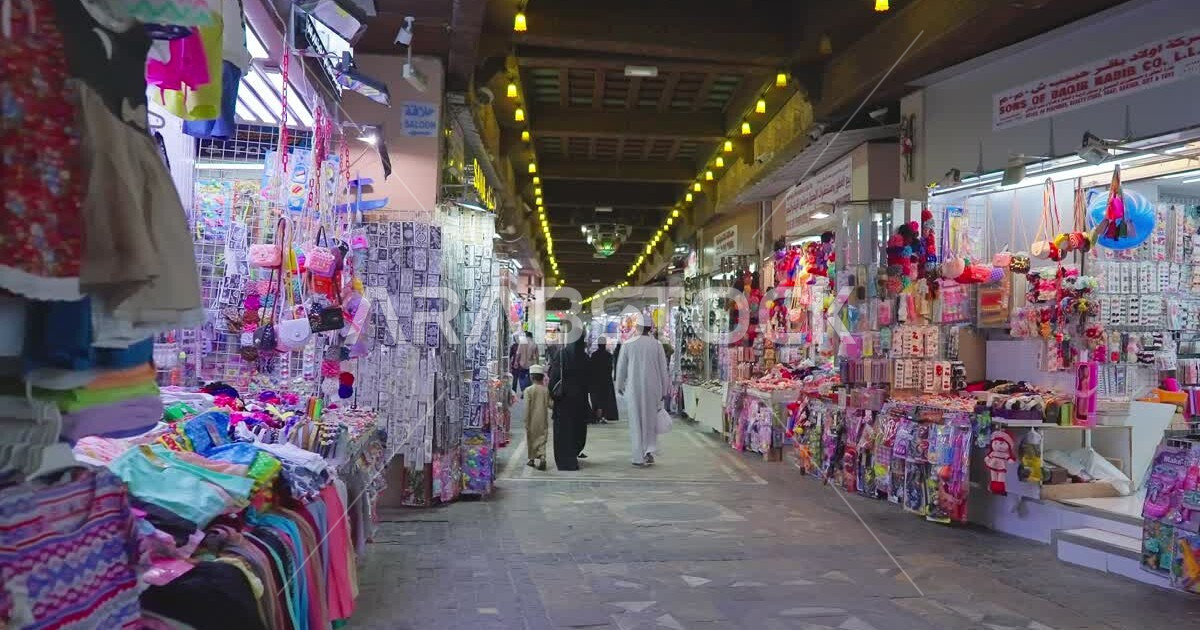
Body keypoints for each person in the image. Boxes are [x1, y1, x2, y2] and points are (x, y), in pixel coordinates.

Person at [616, 324, 671, 466]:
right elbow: (663, 370)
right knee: (650, 421)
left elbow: (621, 367)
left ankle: (638, 456)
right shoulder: (657, 345)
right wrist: (664, 390)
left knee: (636, 421)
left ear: (638, 328)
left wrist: (619, 385)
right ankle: (648, 451)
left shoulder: (628, 344)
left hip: (633, 388)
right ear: (649, 329)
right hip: (653, 388)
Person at [549, 328, 591, 470]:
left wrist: (553, 395)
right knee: (577, 429)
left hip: (563, 401)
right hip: (580, 401)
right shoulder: (585, 358)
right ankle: (573, 454)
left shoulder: (562, 355)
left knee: (563, 430)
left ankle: (564, 459)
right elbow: (590, 381)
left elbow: (554, 378)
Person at [523, 364, 550, 471]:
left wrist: (526, 420)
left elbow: (527, 407)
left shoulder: (528, 390)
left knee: (531, 439)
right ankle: (542, 457)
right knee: (542, 438)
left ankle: (531, 459)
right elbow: (550, 404)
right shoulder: (545, 390)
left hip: (532, 419)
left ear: (531, 377)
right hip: (543, 419)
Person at [588, 337, 618, 423]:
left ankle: (597, 415)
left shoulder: (594, 355)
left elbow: (591, 368)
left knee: (596, 399)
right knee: (605, 399)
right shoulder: (608, 355)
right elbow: (610, 368)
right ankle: (603, 416)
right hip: (606, 381)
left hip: (596, 381)